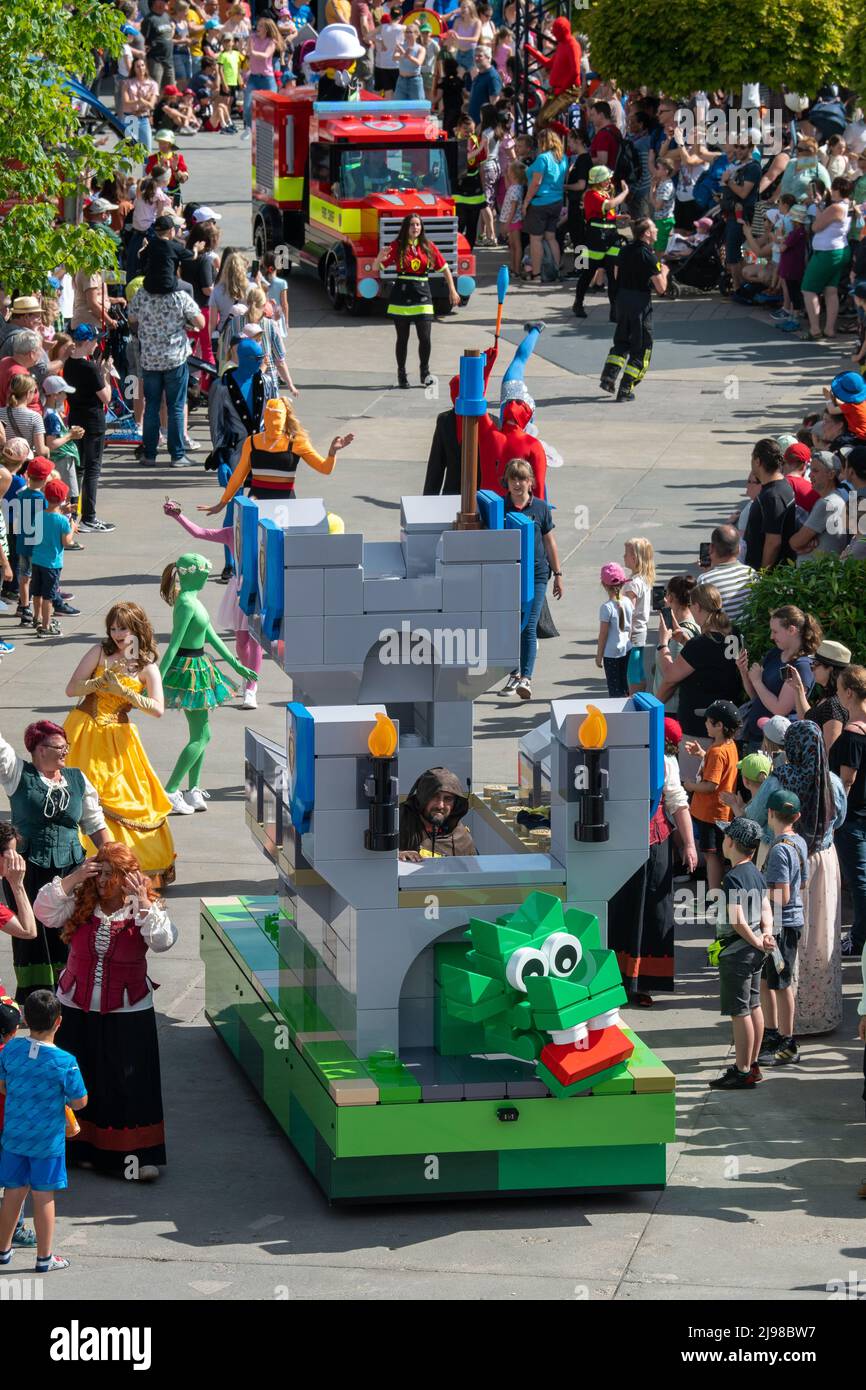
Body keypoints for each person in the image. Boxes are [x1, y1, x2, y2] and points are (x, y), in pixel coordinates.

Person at [33, 845, 176, 1180]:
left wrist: (144, 904)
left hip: (128, 1011)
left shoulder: (139, 908)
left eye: (112, 873)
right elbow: (44, 910)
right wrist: (77, 876)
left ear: (127, 876)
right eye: (101, 871)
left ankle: (132, 1158)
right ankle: (77, 1149)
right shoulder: (81, 903)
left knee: (125, 1083)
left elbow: (164, 940)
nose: (103, 880)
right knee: (76, 1080)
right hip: (75, 1007)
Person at [64, 604, 176, 887]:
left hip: (119, 739)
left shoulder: (147, 667)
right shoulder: (99, 652)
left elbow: (158, 708)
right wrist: (98, 682)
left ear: (136, 628)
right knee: (81, 794)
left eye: (122, 628)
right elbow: (71, 688)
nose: (117, 634)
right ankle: (77, 866)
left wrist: (126, 692)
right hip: (83, 732)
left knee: (126, 796)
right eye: (113, 628)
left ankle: (120, 866)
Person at [608, 716, 697, 1005]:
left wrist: (690, 844)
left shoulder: (665, 762)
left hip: (653, 843)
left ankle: (642, 982)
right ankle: (614, 980)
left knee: (652, 914)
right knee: (621, 911)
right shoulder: (620, 755)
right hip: (622, 844)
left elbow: (677, 802)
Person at [158, 554, 256, 812]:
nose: (205, 578)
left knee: (201, 733)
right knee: (202, 735)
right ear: (190, 574)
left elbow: (211, 636)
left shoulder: (193, 600)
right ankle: (170, 791)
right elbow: (174, 644)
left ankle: (193, 790)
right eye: (202, 574)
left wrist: (236, 665)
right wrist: (156, 679)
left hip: (200, 666)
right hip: (189, 671)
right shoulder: (186, 604)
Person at [0, 990, 87, 1272]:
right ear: (58, 1022)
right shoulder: (65, 1061)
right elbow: (79, 1101)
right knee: (43, 1196)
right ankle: (44, 1258)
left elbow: (3, 1085)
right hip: (47, 1143)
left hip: (14, 1136)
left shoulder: (11, 1049)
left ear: (24, 1017)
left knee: (13, 1193)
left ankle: (3, 1250)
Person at [770, 721, 845, 1038]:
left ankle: (788, 1020)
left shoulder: (781, 780)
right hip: (824, 861)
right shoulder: (832, 781)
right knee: (821, 935)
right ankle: (822, 1012)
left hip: (792, 861)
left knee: (790, 936)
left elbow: (764, 815)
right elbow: (839, 817)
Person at [708, 817, 774, 1090]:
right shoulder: (756, 873)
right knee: (754, 1005)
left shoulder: (733, 877)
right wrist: (766, 934)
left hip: (738, 953)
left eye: (725, 837)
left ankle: (742, 1068)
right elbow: (766, 907)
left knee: (740, 1011)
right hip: (756, 949)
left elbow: (736, 919)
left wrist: (756, 941)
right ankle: (753, 1063)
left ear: (731, 842)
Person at [203, 395, 352, 511]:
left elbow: (324, 468)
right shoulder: (252, 442)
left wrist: (332, 453)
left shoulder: (296, 442)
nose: (274, 423)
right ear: (264, 417)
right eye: (270, 417)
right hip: (256, 505)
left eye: (277, 418)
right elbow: (238, 476)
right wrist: (223, 502)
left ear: (285, 418)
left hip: (286, 507)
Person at [656, 584, 743, 781]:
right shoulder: (734, 634)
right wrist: (686, 641)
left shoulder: (700, 644)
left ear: (696, 607)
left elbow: (670, 674)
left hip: (699, 727)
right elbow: (713, 660)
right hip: (727, 721)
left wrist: (663, 643)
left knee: (695, 783)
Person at [374, 213, 460, 389]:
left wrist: (452, 290)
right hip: (401, 297)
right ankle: (402, 374)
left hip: (423, 295)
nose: (415, 228)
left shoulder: (428, 246)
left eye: (418, 225)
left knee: (425, 338)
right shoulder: (397, 246)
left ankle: (425, 373)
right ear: (406, 228)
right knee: (402, 339)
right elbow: (376, 268)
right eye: (412, 225)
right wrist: (379, 257)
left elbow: (445, 269)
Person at [501, 458, 561, 701]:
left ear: (531, 482)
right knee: (511, 626)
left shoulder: (540, 508)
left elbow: (549, 541)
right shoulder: (501, 507)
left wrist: (558, 574)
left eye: (522, 478)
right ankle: (514, 673)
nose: (517, 483)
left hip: (536, 575)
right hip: (508, 575)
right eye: (513, 478)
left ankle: (526, 677)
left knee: (528, 625)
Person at [129, 276, 205, 470]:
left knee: (152, 406)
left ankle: (150, 454)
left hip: (150, 359)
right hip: (175, 359)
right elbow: (201, 322)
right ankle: (177, 455)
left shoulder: (142, 295)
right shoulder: (179, 296)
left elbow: (132, 318)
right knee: (176, 407)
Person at [758, 788, 809, 1065]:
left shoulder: (778, 850)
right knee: (768, 981)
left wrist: (757, 896)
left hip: (781, 926)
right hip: (788, 923)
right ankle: (772, 1033)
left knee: (781, 983)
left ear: (769, 814)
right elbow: (801, 883)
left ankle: (788, 1042)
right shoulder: (799, 842)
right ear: (797, 816)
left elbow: (783, 895)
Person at [599, 217, 668, 402]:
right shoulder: (648, 255)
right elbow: (661, 289)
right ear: (646, 233)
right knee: (642, 346)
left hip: (622, 300)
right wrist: (665, 272)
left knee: (622, 340)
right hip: (639, 304)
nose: (657, 231)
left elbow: (615, 273)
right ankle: (626, 388)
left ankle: (608, 378)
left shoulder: (624, 250)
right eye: (654, 228)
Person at [737, 604, 822, 751]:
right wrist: (744, 672)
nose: (771, 636)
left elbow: (780, 708)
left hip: (777, 745)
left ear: (792, 630)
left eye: (775, 632)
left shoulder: (801, 665)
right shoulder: (775, 653)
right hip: (756, 738)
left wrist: (757, 681)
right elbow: (756, 697)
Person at [683, 699, 740, 891]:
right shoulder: (728, 746)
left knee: (712, 855)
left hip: (711, 813)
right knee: (718, 854)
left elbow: (710, 785)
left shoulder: (716, 752)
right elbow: (719, 769)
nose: (705, 724)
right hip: (721, 812)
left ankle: (714, 894)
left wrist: (690, 785)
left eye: (709, 721)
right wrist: (702, 754)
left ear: (720, 725)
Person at [63, 325, 113, 534]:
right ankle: (89, 517)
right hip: (92, 421)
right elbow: (107, 397)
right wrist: (106, 374)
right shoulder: (91, 368)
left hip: (76, 418)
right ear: (87, 341)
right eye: (95, 340)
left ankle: (74, 514)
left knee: (79, 468)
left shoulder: (69, 364)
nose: (97, 344)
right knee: (92, 468)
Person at [831, 664, 866, 957]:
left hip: (853, 819)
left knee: (859, 883)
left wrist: (834, 816)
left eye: (839, 689)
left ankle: (858, 939)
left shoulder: (854, 734)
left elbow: (846, 781)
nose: (837, 694)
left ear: (850, 693)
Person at [801, 176, 853, 341]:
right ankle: (829, 329)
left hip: (827, 253)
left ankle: (815, 329)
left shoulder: (836, 207)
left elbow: (816, 227)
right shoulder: (849, 204)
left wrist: (818, 209)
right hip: (838, 250)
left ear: (837, 189)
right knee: (831, 291)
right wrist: (819, 205)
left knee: (808, 289)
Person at [571, 165, 627, 319]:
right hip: (596, 237)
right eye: (606, 178)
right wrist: (625, 193)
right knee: (588, 272)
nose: (609, 180)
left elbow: (606, 213)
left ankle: (614, 311)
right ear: (598, 180)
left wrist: (618, 218)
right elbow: (609, 206)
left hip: (611, 236)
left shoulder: (605, 194)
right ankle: (578, 303)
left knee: (613, 274)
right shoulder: (591, 194)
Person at [29, 479, 77, 640]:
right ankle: (46, 626)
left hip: (37, 559)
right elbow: (67, 542)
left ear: (45, 495)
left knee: (36, 592)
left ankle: (36, 618)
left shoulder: (39, 515)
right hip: (52, 563)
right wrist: (72, 528)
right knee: (48, 596)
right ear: (63, 498)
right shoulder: (63, 521)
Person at [785, 638, 851, 754]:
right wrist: (798, 688)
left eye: (815, 664)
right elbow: (806, 720)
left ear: (830, 669)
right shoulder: (828, 696)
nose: (811, 668)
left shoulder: (834, 704)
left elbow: (830, 751)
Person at [522, 128, 567, 283]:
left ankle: (537, 274)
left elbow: (536, 183)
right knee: (551, 237)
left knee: (535, 239)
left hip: (540, 202)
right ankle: (555, 271)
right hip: (557, 201)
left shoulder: (542, 159)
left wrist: (526, 201)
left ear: (543, 142)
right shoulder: (562, 158)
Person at [399, 768, 476, 860]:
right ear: (422, 797)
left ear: (455, 803)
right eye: (434, 796)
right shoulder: (396, 823)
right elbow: (377, 859)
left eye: (448, 799)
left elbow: (472, 872)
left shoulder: (462, 839)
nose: (440, 805)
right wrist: (396, 855)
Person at [742, 438, 795, 571]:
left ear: (758, 461)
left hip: (769, 576)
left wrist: (763, 575)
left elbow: (773, 542)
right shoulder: (782, 486)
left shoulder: (772, 496)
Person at [788, 449, 850, 560]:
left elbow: (795, 543)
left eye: (815, 471)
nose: (810, 475)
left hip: (814, 574)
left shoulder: (826, 503)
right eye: (810, 470)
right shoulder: (836, 498)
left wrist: (800, 542)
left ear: (831, 474)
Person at [653, 574, 700, 706]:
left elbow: (671, 681)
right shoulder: (695, 624)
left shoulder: (680, 635)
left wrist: (653, 707)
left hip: (671, 708)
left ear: (671, 597)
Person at [622, 536, 654, 694]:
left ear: (634, 559)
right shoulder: (643, 579)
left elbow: (628, 610)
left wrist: (623, 633)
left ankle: (634, 697)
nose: (623, 557)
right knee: (638, 667)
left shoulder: (632, 584)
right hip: (641, 631)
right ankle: (642, 693)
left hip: (632, 633)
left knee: (632, 671)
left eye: (626, 554)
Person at [596, 561, 632, 697]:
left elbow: (603, 634)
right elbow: (630, 627)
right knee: (625, 686)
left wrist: (599, 655)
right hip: (627, 648)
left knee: (614, 689)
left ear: (604, 585)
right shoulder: (628, 602)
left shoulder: (607, 607)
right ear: (623, 583)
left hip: (611, 653)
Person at [242, 17, 282, 136]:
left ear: (266, 29)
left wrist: (252, 52)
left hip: (267, 78)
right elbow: (247, 52)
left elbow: (266, 55)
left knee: (271, 105)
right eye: (257, 25)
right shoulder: (253, 38)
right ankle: (248, 127)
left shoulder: (271, 41)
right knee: (247, 104)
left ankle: (272, 128)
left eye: (260, 26)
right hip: (254, 77)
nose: (257, 28)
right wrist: (247, 44)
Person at [393, 22, 425, 102]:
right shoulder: (401, 45)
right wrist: (403, 55)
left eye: (410, 32)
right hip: (401, 80)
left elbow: (419, 62)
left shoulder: (420, 48)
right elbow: (394, 57)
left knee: (417, 107)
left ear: (416, 34)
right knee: (399, 106)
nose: (407, 34)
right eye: (406, 32)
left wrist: (408, 56)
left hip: (415, 81)